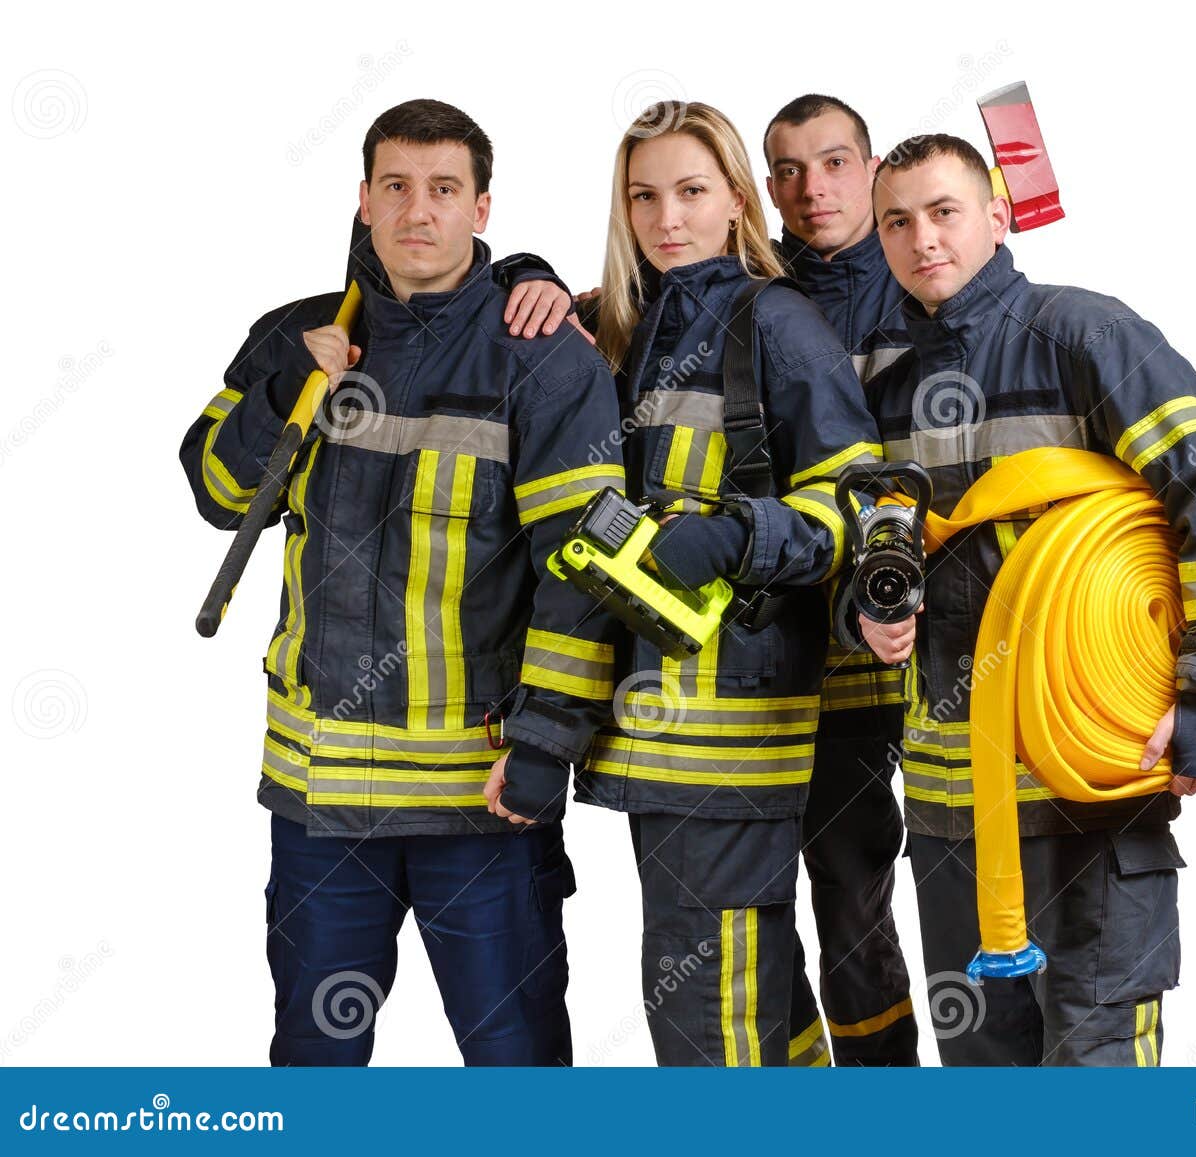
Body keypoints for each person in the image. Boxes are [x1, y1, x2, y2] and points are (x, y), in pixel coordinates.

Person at [180, 99, 622, 1066]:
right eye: (396, 187)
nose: (418, 211)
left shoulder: (542, 359)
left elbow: (584, 573)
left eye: (444, 189)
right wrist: (283, 392)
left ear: (482, 208)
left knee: (516, 1067)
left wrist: (548, 741)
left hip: (481, 802)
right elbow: (216, 493)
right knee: (315, 1059)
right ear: (364, 201)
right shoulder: (296, 337)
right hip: (320, 800)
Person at [858, 134, 1196, 1066]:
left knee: (1097, 1077)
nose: (923, 238)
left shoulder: (1087, 336)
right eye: (897, 221)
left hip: (1089, 798)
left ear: (997, 214)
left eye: (944, 212)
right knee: (985, 1081)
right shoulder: (885, 387)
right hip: (950, 812)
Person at [520, 99, 882, 1067]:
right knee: (752, 983)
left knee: (704, 1010)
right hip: (643, 726)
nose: (666, 218)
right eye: (643, 197)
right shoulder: (617, 327)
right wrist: (522, 273)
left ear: (736, 200)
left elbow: (861, 505)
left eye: (690, 191)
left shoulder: (778, 322)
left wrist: (735, 536)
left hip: (734, 732)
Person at [760, 93, 918, 1066]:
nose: (811, 188)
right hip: (772, 654)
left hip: (905, 655)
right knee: (747, 901)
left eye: (833, 162)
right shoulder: (745, 294)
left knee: (858, 900)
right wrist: (525, 272)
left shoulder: (925, 286)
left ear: (872, 167)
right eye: (788, 169)